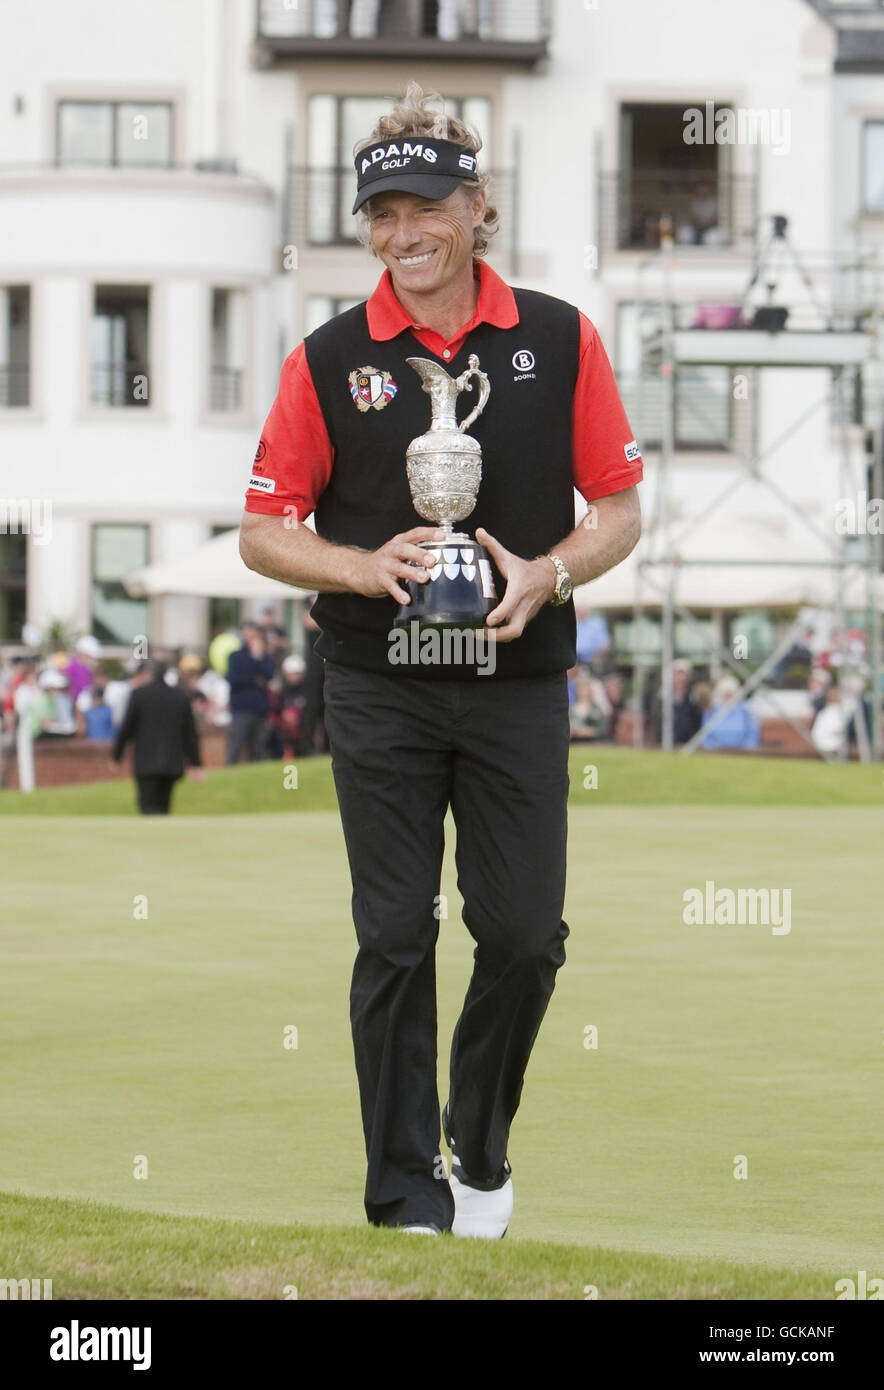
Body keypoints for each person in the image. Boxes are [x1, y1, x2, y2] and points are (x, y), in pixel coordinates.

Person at [238, 84, 642, 1238]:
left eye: (423, 208)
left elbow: (615, 509)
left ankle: (479, 1134)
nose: (399, 234)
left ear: (476, 206)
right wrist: (361, 567)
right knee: (393, 931)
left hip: (515, 682)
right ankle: (402, 1190)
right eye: (379, 213)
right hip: (377, 683)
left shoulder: (557, 336)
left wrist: (550, 572)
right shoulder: (328, 357)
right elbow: (263, 529)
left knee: (522, 936)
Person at [111, 659, 203, 814]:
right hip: (172, 761)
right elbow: (190, 733)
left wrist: (116, 756)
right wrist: (195, 763)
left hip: (145, 761)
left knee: (147, 806)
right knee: (164, 805)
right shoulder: (180, 697)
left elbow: (126, 728)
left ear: (148, 674)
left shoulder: (138, 695)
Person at [225, 622, 276, 764]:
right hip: (241, 709)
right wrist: (255, 679)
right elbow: (233, 679)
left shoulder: (264, 657)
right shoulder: (235, 656)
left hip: (260, 709)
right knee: (235, 746)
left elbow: (269, 674)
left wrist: (257, 659)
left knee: (258, 748)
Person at [699, 675, 761, 751]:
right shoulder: (711, 712)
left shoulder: (745, 712)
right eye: (725, 692)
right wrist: (714, 749)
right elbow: (705, 736)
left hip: (742, 754)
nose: (728, 695)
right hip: (716, 754)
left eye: (731, 693)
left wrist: (745, 750)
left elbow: (752, 735)